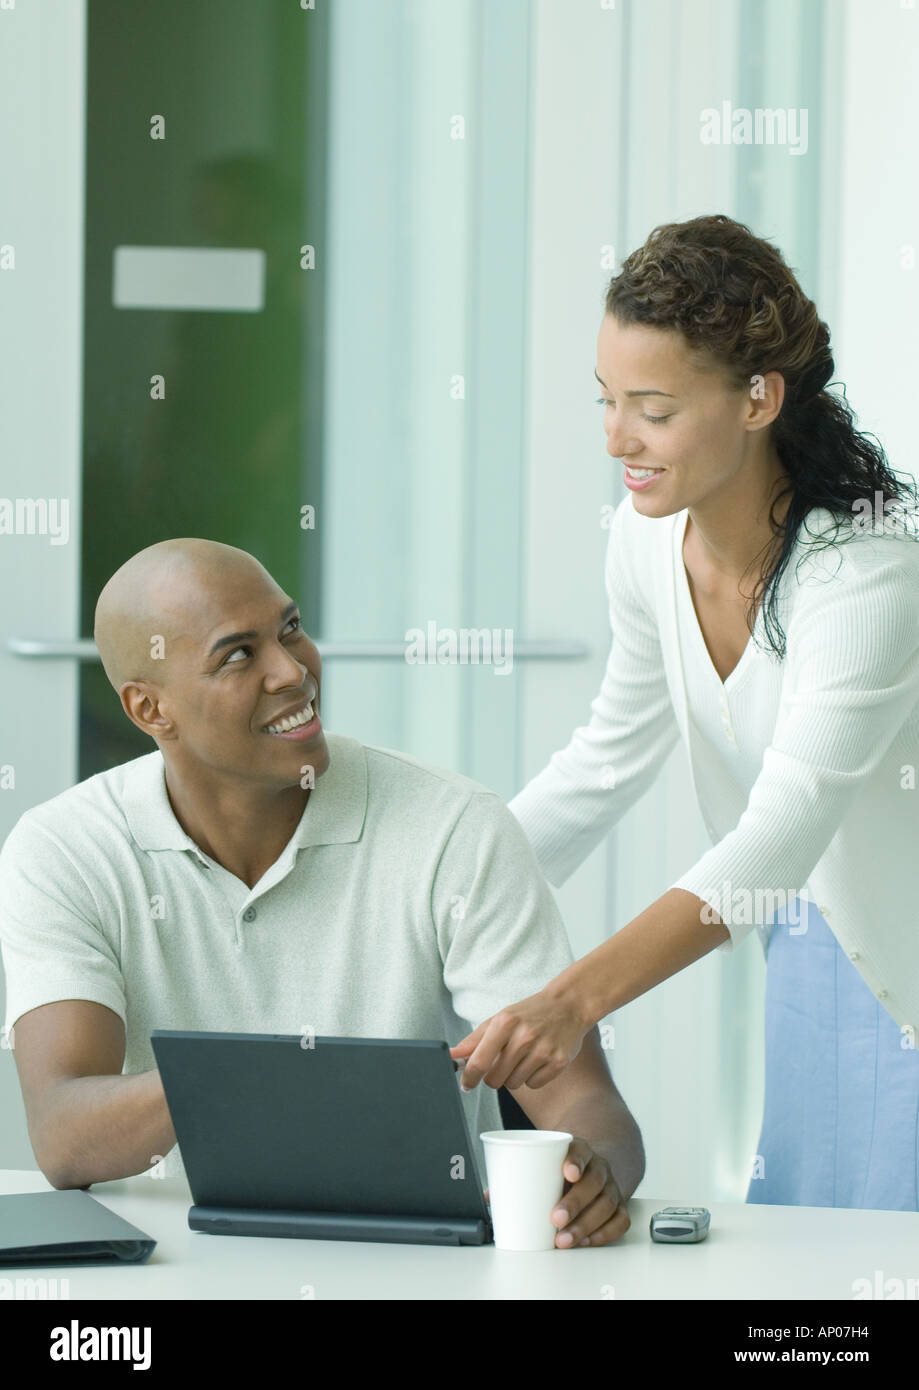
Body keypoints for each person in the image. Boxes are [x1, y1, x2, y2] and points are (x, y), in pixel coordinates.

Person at [452, 213, 919, 1210]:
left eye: (652, 409)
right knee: (811, 1266)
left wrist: (570, 1001)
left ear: (759, 400)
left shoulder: (864, 577)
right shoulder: (644, 538)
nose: (618, 438)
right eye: (606, 401)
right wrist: (447, 893)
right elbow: (606, 757)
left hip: (894, 952)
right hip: (808, 941)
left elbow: (778, 836)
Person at [0, 538, 644, 1248]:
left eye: (291, 629)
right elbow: (64, 1137)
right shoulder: (63, 849)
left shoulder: (453, 825)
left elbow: (588, 1105)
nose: (293, 671)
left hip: (417, 1262)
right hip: (173, 1265)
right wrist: (265, 1077)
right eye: (238, 655)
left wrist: (595, 1175)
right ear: (151, 710)